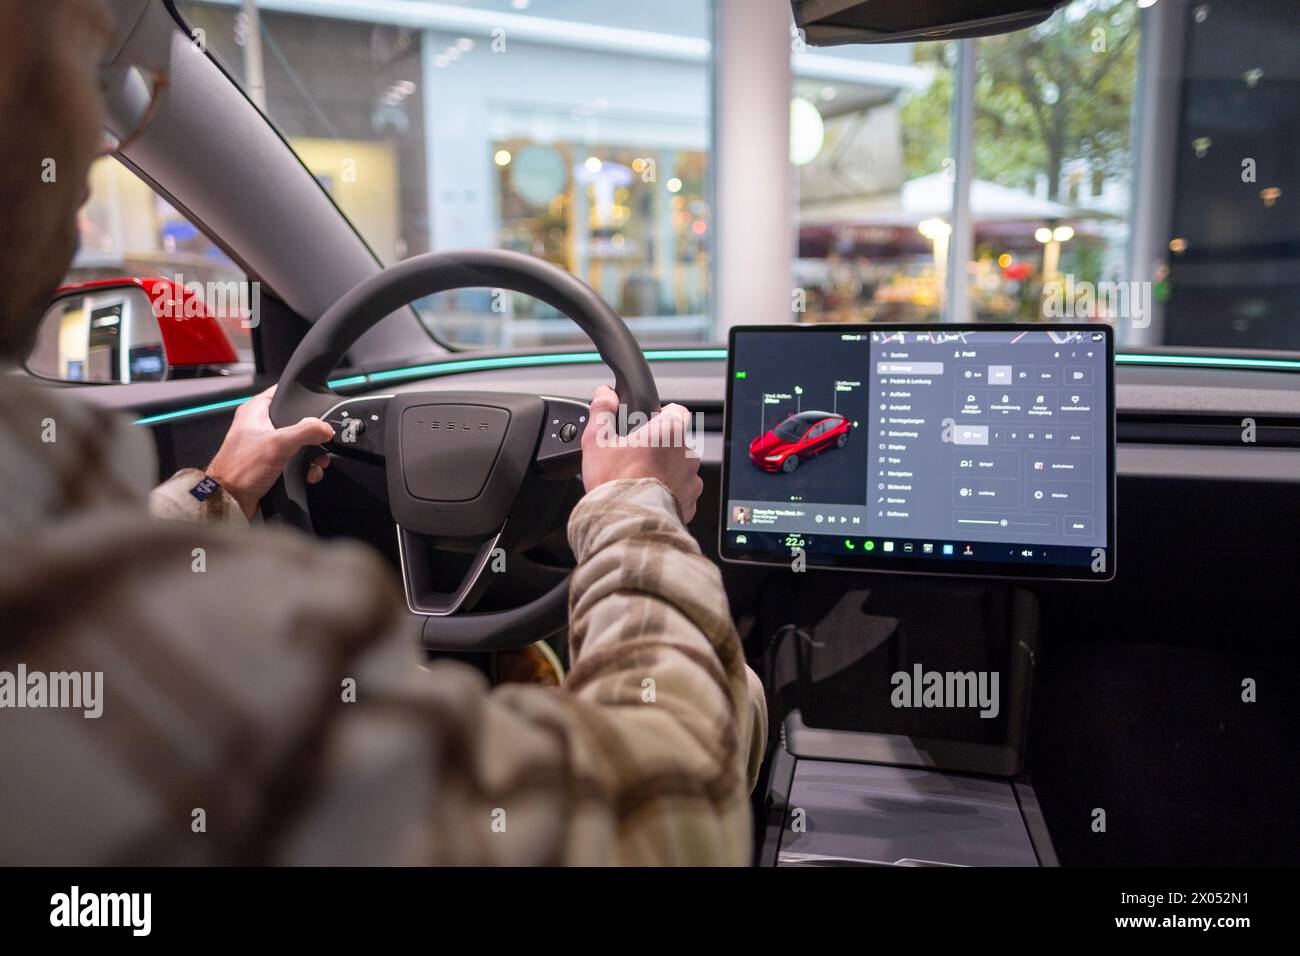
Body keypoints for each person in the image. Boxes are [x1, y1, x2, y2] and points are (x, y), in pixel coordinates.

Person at [0, 0, 765, 865]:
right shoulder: (181, 657)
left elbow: (96, 584)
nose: (98, 151)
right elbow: (672, 812)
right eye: (99, 82)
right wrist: (635, 505)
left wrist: (215, 493)